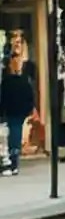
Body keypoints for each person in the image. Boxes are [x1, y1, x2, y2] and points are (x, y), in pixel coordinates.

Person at [0, 44, 36, 176]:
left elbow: (28, 95)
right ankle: (12, 160)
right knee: (13, 135)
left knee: (14, 136)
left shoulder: (15, 80)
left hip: (15, 111)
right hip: (14, 111)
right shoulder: (15, 80)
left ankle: (13, 161)